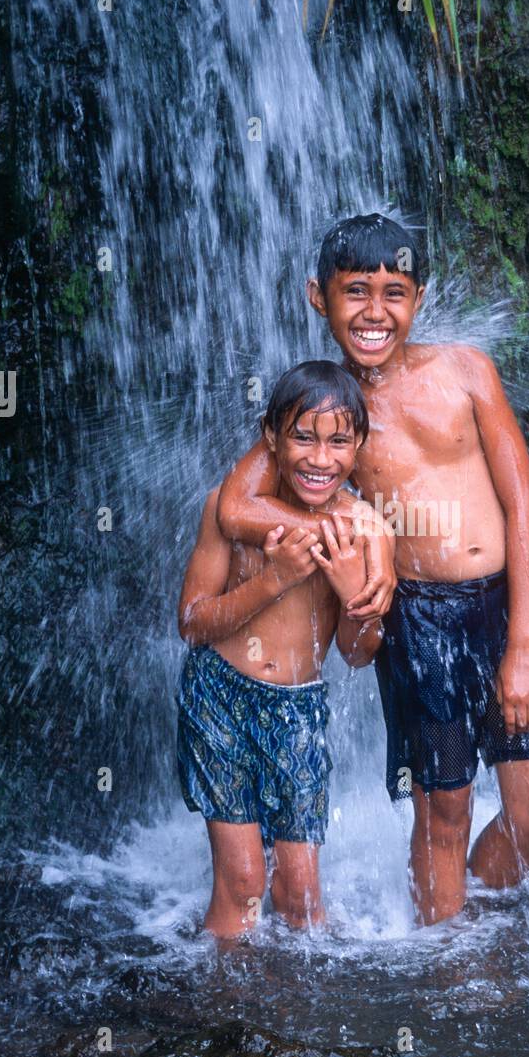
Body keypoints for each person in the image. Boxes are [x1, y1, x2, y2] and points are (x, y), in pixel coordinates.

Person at [217, 214, 529, 925]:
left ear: (419, 296)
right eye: (356, 292)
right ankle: (448, 957)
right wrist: (341, 527)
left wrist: (526, 643)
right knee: (444, 810)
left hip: (502, 607)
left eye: (394, 292)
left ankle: (477, 903)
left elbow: (523, 505)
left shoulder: (467, 372)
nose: (374, 312)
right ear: (319, 298)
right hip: (414, 621)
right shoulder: (326, 409)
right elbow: (235, 505)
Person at [176, 360, 384, 938]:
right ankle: (221, 1018)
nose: (320, 459)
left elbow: (359, 654)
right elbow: (192, 624)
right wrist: (274, 577)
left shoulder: (359, 529)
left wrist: (355, 600)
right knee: (243, 884)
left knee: (299, 895)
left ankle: (295, 1020)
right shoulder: (230, 507)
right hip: (220, 696)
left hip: (298, 710)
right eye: (302, 438)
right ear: (272, 437)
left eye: (338, 441)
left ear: (358, 444)